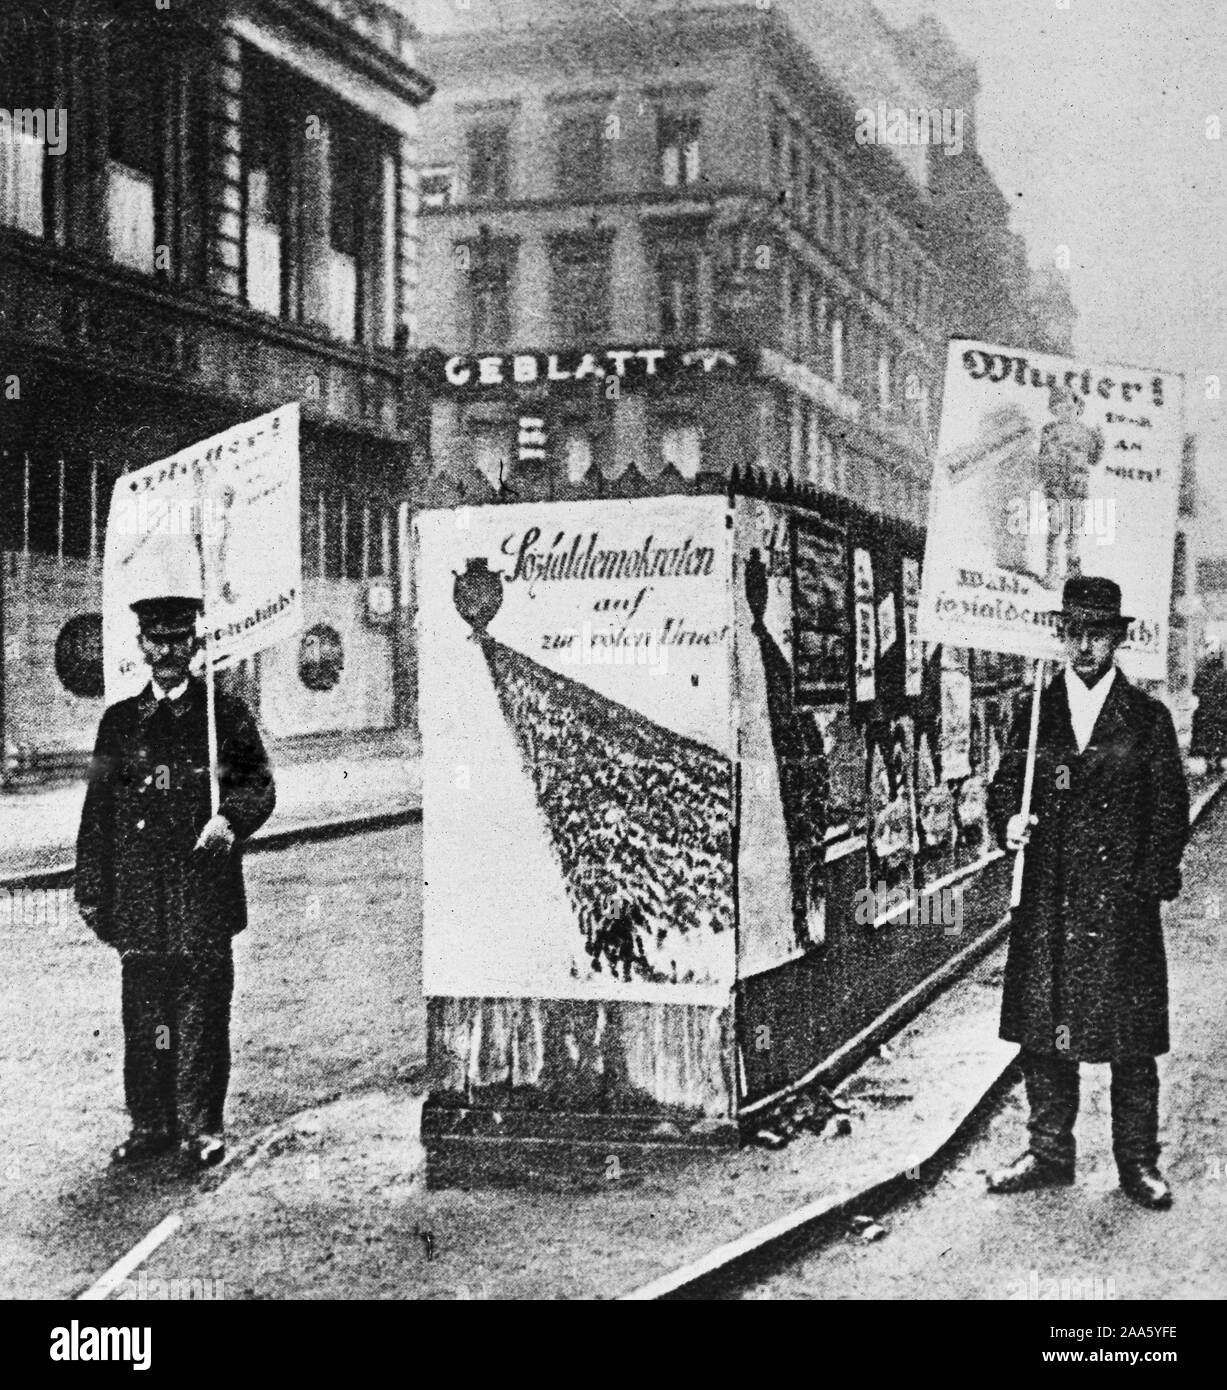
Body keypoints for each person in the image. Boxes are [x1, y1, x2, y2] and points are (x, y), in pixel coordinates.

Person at [986, 576, 1189, 1210]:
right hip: (1049, 900)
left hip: (1121, 907)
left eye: (1096, 634)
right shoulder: (1036, 710)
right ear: (1060, 635)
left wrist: (1146, 885)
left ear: (1118, 639)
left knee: (1131, 1044)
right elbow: (1004, 788)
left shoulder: (1146, 718)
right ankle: (1049, 1153)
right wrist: (1007, 824)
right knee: (1046, 1035)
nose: (1083, 647)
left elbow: (1169, 811)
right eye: (1073, 632)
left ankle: (1138, 1164)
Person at [75, 595, 276, 1172]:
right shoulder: (118, 722)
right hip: (140, 895)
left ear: (194, 644)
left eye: (178, 640)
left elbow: (258, 787)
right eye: (156, 641)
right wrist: (92, 886)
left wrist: (228, 820)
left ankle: (200, 1129)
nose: (166, 652)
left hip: (199, 893)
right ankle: (152, 1124)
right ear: (141, 646)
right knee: (148, 1017)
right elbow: (98, 811)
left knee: (201, 1014)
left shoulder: (223, 716)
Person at [1190, 636, 1227, 771]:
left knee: (1208, 734)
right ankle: (1214, 760)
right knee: (1215, 736)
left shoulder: (1205, 673)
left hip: (1209, 711)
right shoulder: (1221, 673)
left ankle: (1211, 761)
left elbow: (1196, 691)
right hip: (1215, 711)